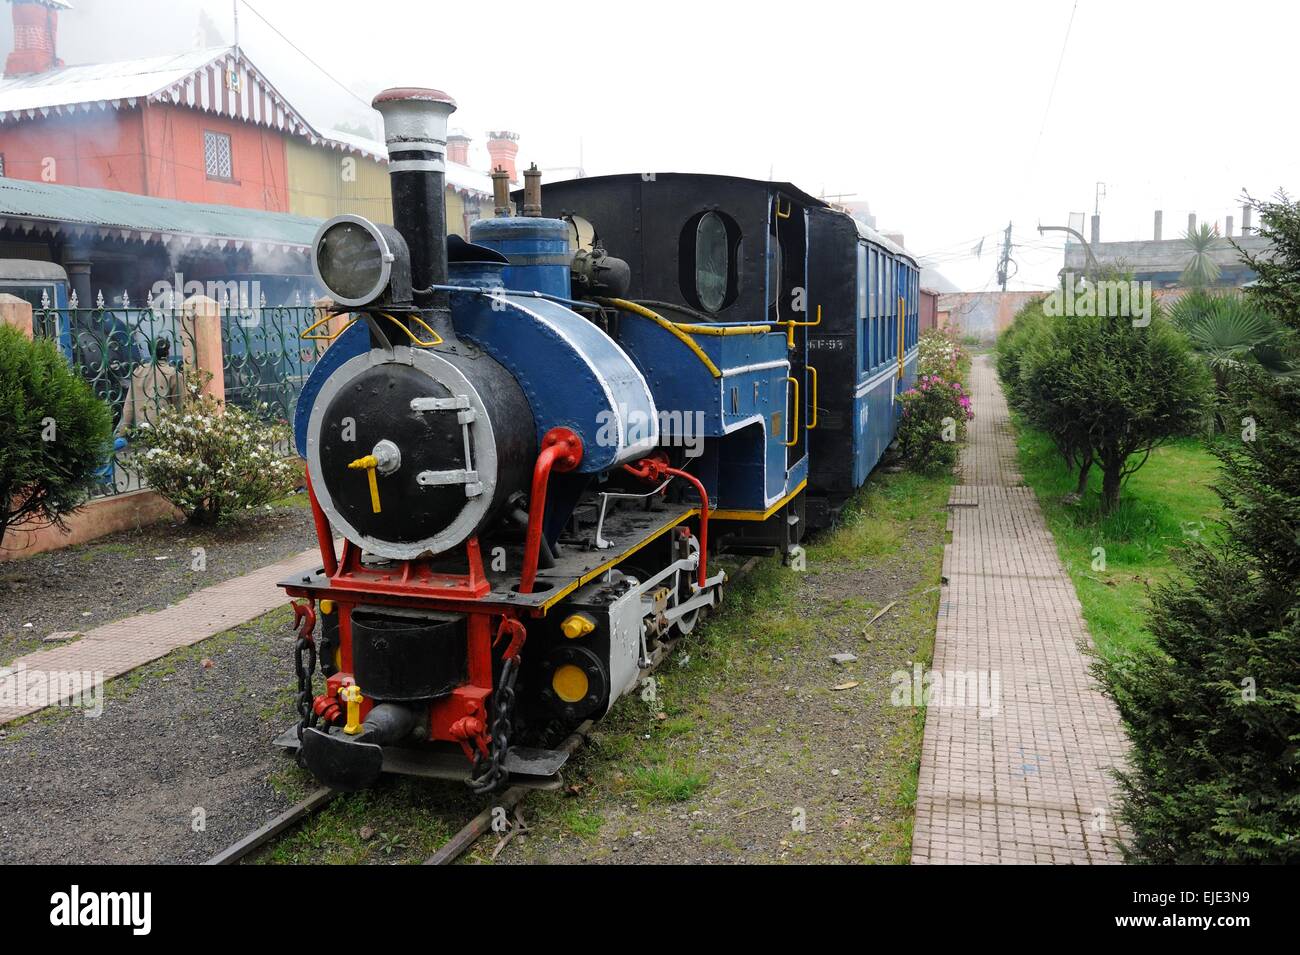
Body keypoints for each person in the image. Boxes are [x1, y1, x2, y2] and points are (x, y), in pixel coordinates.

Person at [115, 338, 184, 436]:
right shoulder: (173, 374)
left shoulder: (139, 371)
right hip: (162, 429)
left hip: (140, 428)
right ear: (167, 352)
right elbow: (179, 405)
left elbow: (129, 403)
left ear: (151, 351)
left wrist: (122, 432)